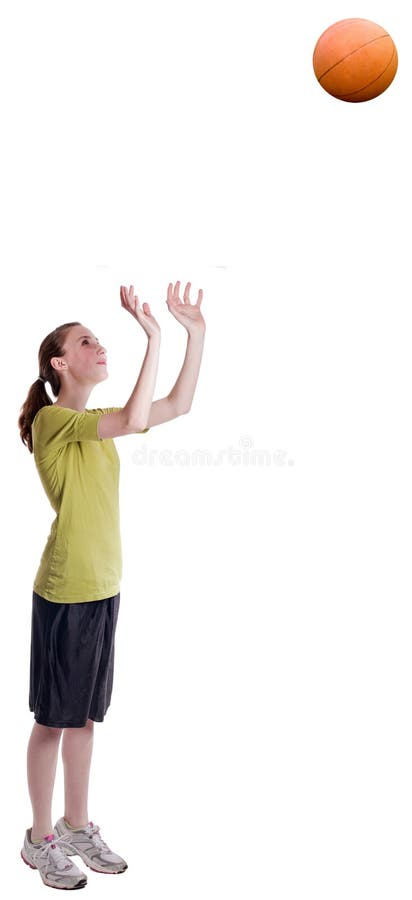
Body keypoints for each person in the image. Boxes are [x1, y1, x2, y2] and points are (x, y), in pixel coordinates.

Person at [17, 280, 205, 889]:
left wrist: (192, 335)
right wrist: (150, 335)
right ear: (59, 363)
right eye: (86, 342)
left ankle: (77, 824)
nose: (99, 347)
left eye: (100, 340)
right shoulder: (52, 421)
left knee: (85, 717)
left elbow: (173, 407)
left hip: (103, 589)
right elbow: (134, 413)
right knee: (54, 719)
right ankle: (39, 837)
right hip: (66, 592)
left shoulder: (96, 424)